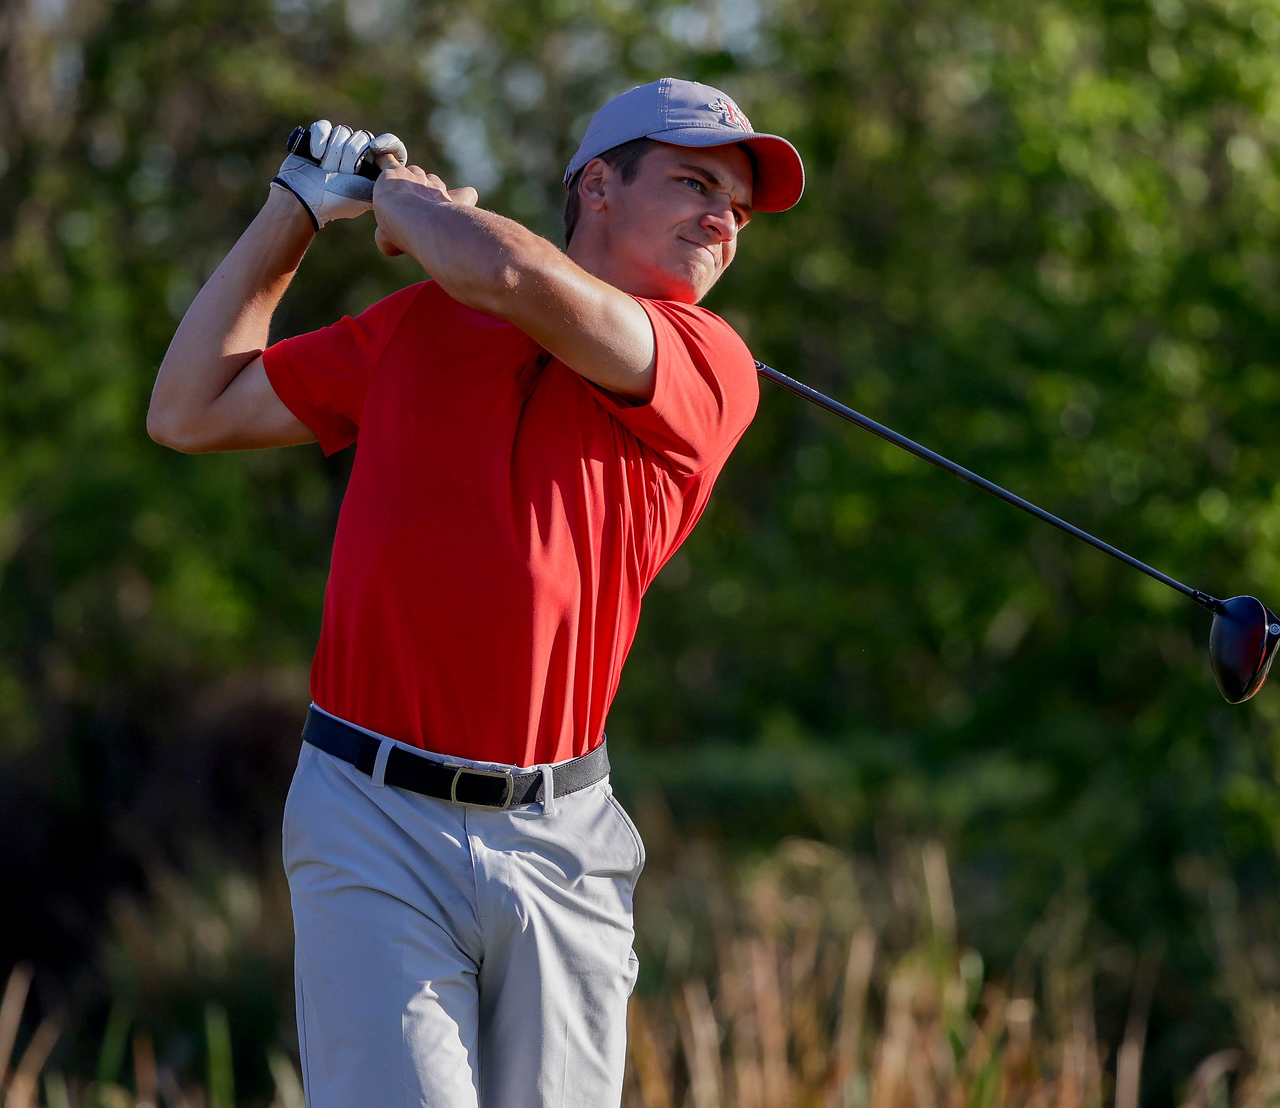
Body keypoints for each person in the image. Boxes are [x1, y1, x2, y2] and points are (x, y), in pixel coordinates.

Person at [145, 77, 803, 1108]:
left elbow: (504, 269)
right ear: (598, 185)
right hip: (369, 815)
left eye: (739, 208)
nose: (723, 219)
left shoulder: (708, 362)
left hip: (559, 843)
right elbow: (189, 410)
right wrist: (298, 210)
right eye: (693, 183)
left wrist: (402, 197)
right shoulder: (421, 324)